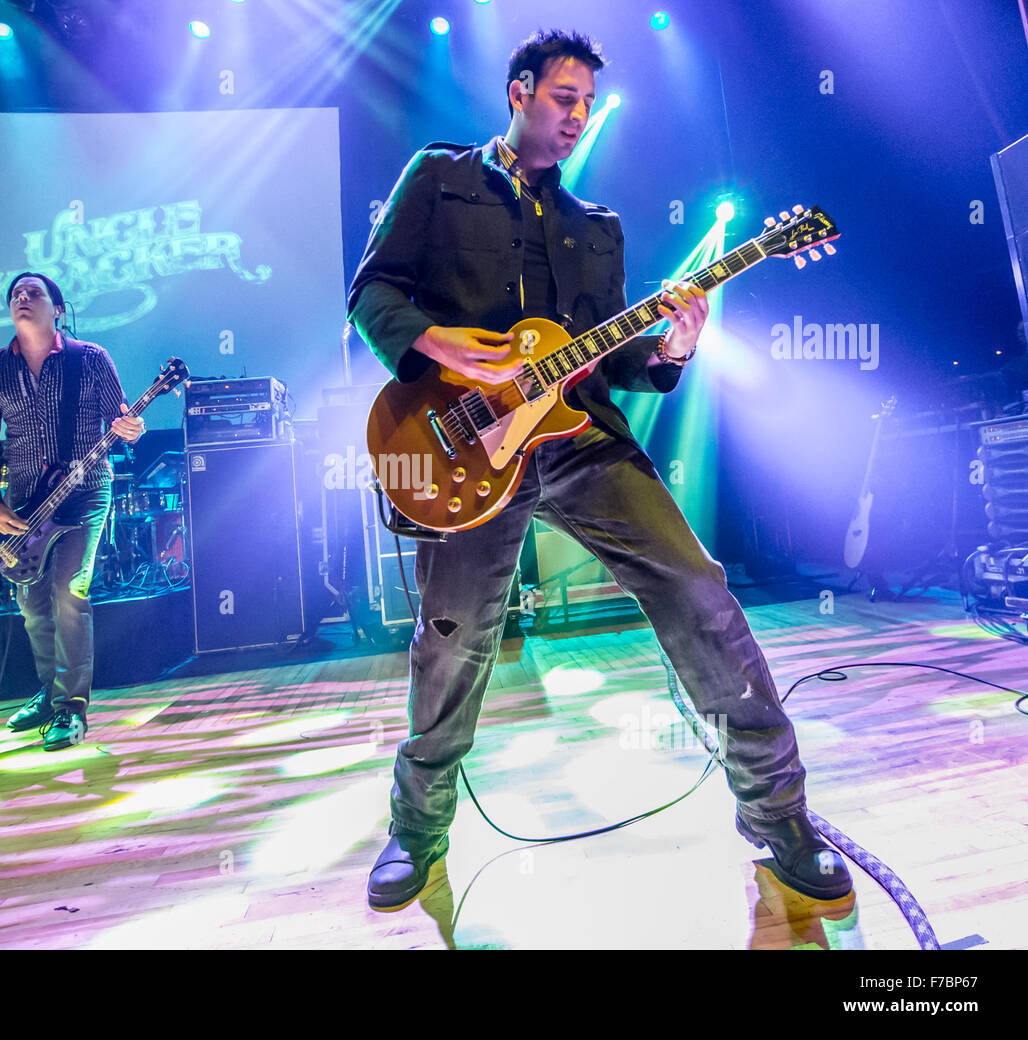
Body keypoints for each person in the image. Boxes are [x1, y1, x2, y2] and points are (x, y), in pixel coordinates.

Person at [347, 28, 853, 909]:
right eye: (564, 97)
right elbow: (371, 291)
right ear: (519, 91)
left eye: (588, 102)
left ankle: (780, 818)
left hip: (580, 443)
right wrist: (438, 343)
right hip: (463, 446)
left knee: (700, 593)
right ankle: (416, 831)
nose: (579, 115)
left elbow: (617, 364)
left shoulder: (598, 230)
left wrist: (674, 350)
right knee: (453, 644)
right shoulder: (439, 177)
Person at [0, 272, 143, 751]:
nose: (23, 299)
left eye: (34, 293)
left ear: (57, 309)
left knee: (70, 590)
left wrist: (131, 428)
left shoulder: (91, 359)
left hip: (86, 490)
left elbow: (121, 417)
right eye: (15, 295)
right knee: (31, 601)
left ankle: (71, 710)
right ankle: (48, 692)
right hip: (24, 501)